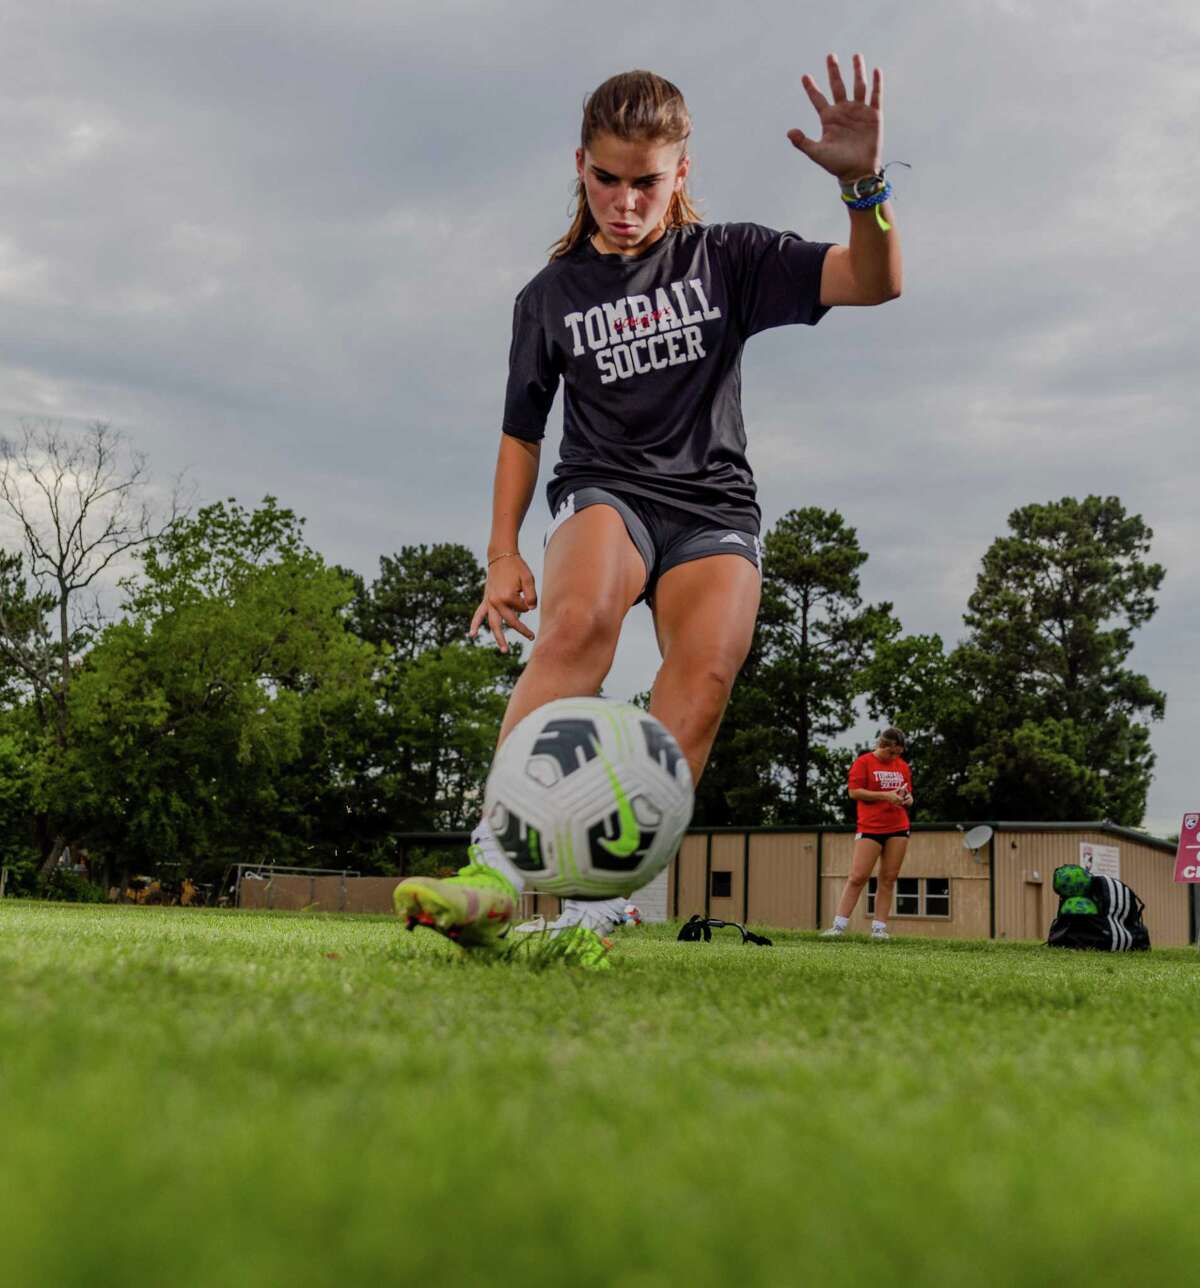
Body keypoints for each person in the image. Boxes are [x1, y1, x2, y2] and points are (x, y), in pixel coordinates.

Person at [396, 55, 903, 965]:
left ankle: (597, 909)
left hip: (713, 506)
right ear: (580, 166)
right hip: (607, 490)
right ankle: (494, 873)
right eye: (606, 180)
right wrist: (501, 551)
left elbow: (874, 283)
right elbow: (522, 432)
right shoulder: (549, 298)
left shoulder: (731, 260)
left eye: (647, 183)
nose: (625, 202)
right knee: (580, 623)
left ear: (682, 173)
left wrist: (862, 187)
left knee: (704, 681)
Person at [823, 728, 913, 940]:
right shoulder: (863, 762)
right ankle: (838, 927)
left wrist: (908, 799)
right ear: (881, 745)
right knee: (858, 876)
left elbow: (908, 795)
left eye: (898, 753)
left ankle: (879, 929)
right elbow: (854, 792)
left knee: (889, 878)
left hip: (898, 826)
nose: (894, 757)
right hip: (870, 827)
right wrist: (885, 796)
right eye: (891, 753)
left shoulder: (902, 766)